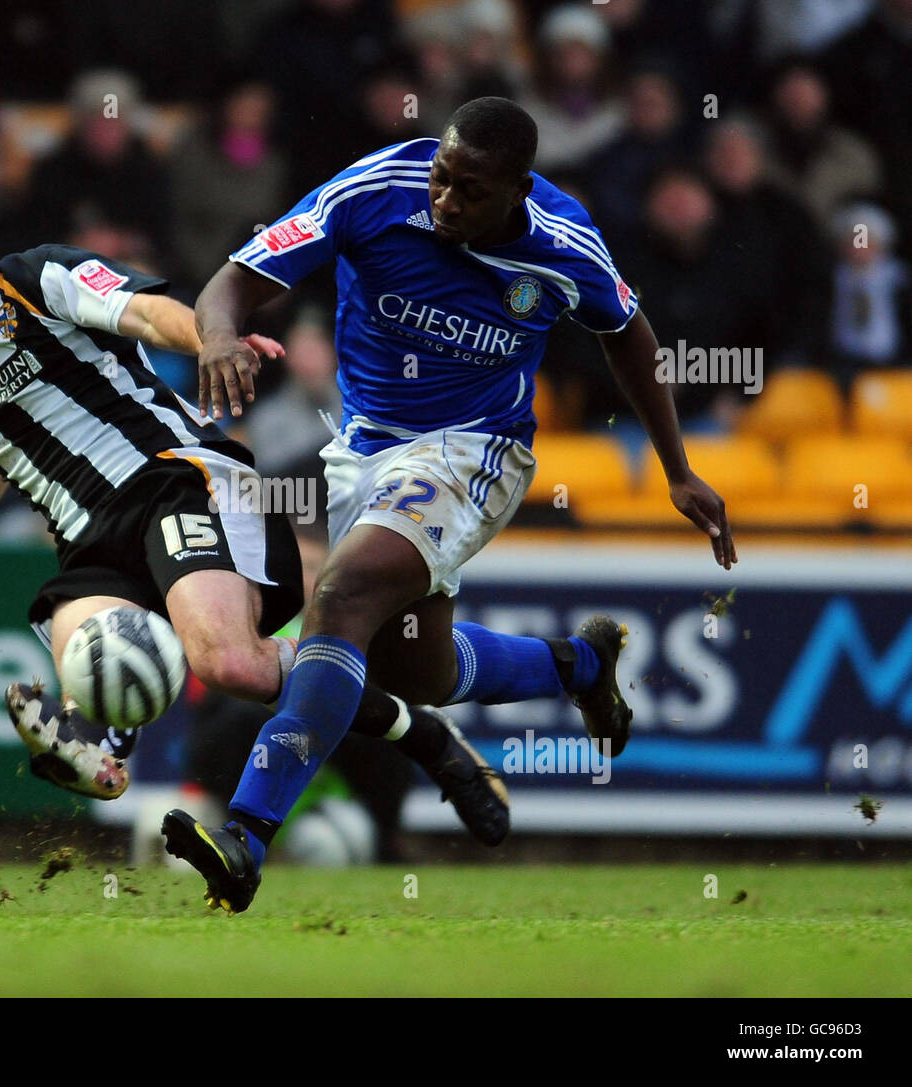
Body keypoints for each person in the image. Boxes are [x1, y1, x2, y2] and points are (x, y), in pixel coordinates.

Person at [166, 97, 737, 914]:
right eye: (441, 178)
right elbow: (236, 279)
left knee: (342, 599)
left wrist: (676, 469)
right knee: (415, 670)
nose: (445, 202)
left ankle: (247, 836)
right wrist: (218, 335)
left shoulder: (564, 243)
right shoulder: (376, 187)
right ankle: (575, 665)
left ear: (517, 192)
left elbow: (630, 339)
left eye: (470, 191)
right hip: (363, 447)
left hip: (476, 448)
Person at [0, 181, 513, 848]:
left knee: (232, 668)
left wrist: (211, 339)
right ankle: (101, 726)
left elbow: (143, 312)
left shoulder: (35, 279)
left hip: (175, 480)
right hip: (88, 545)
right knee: (97, 661)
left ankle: (419, 734)